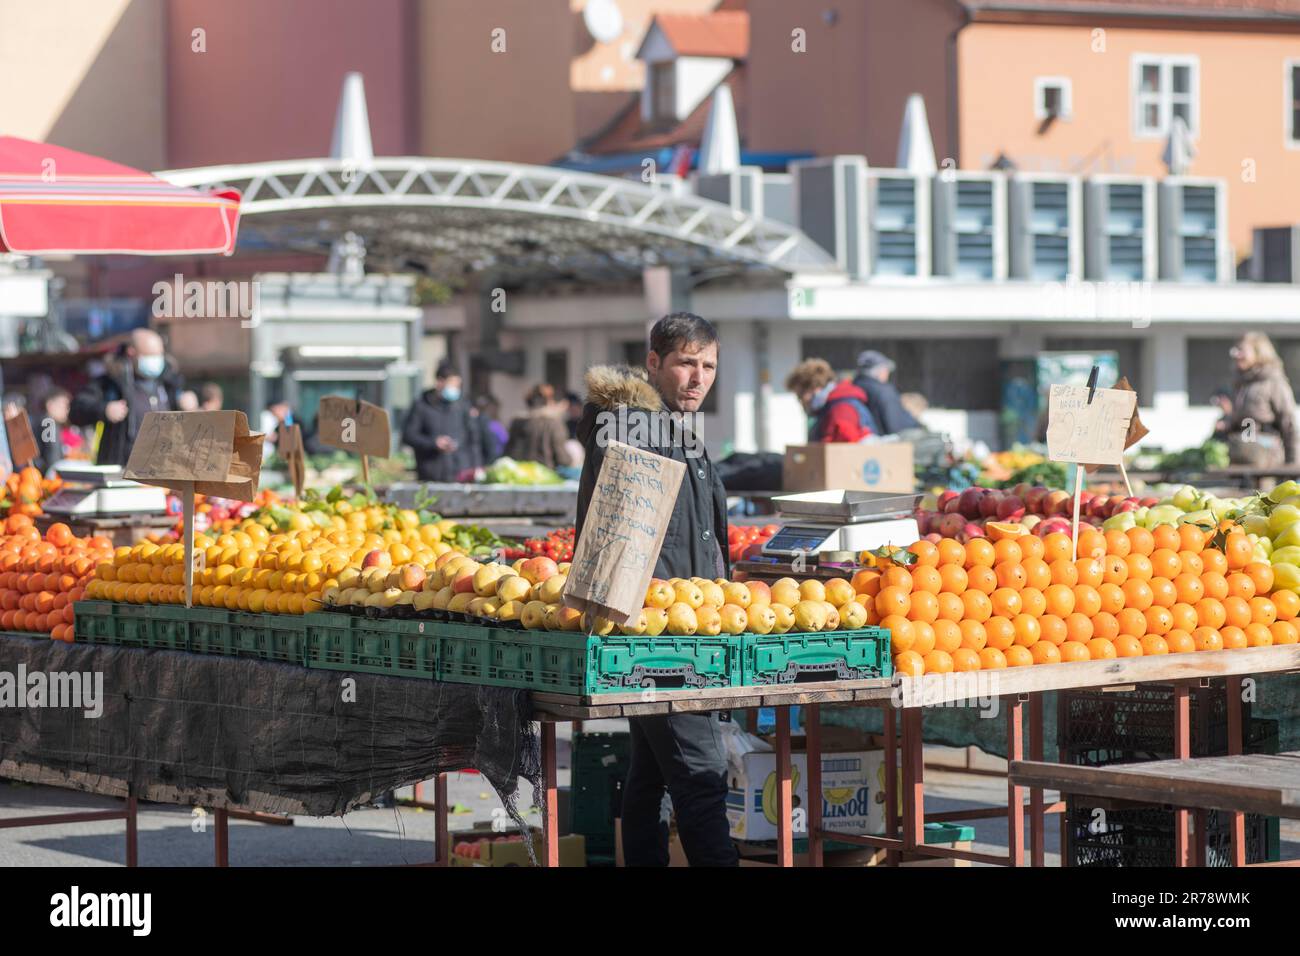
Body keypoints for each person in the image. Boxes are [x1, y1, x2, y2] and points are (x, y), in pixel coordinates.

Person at [574, 312, 736, 868]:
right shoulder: (626, 425)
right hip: (659, 633)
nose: (698, 377)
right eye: (686, 363)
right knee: (699, 775)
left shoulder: (680, 432)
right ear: (653, 364)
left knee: (652, 775)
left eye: (708, 365)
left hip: (690, 623)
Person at [70, 328, 194, 467]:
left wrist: (186, 405)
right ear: (131, 353)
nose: (156, 360)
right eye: (150, 355)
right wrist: (104, 410)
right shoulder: (110, 382)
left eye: (159, 354)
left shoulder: (168, 382)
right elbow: (76, 410)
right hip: (122, 469)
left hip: (163, 468)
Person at [402, 361, 498, 481]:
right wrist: (433, 443)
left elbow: (474, 439)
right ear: (440, 382)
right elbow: (409, 435)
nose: (455, 389)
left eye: (458, 385)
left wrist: (476, 467)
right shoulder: (421, 406)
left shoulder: (463, 405)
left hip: (461, 473)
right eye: (452, 384)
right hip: (431, 473)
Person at [1225, 333, 1297, 466]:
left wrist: (1293, 462)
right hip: (1241, 455)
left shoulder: (1273, 381)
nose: (1236, 355)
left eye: (1242, 350)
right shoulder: (1240, 383)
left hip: (1267, 458)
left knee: (1265, 488)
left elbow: (1288, 421)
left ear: (1258, 353)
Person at [786, 358, 876, 442]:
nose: (800, 400)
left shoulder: (842, 409)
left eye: (800, 395)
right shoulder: (830, 407)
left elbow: (843, 448)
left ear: (815, 388)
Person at [505, 383, 573, 470]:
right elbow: (563, 459)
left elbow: (508, 453)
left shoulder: (517, 421)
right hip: (546, 476)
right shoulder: (553, 423)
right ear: (550, 401)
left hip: (519, 475)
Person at [852, 350, 920, 435]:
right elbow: (896, 426)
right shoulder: (884, 391)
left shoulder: (854, 386)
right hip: (884, 444)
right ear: (879, 371)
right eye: (886, 370)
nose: (887, 374)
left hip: (863, 440)